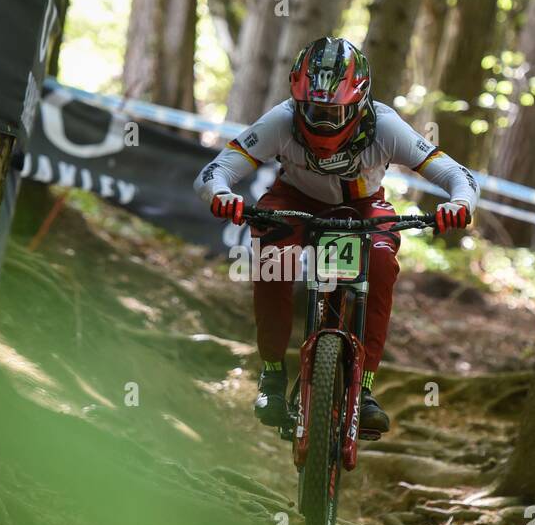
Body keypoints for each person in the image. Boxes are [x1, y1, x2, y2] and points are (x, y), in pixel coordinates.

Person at [194, 36, 478, 434]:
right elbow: (215, 170)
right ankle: (272, 376)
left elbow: (455, 174)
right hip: (294, 199)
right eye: (311, 109)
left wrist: (459, 203)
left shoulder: (386, 124)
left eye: (334, 111)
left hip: (361, 206)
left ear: (359, 101)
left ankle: (364, 389)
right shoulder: (281, 119)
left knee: (380, 263)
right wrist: (221, 194)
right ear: (296, 98)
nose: (321, 121)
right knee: (274, 261)